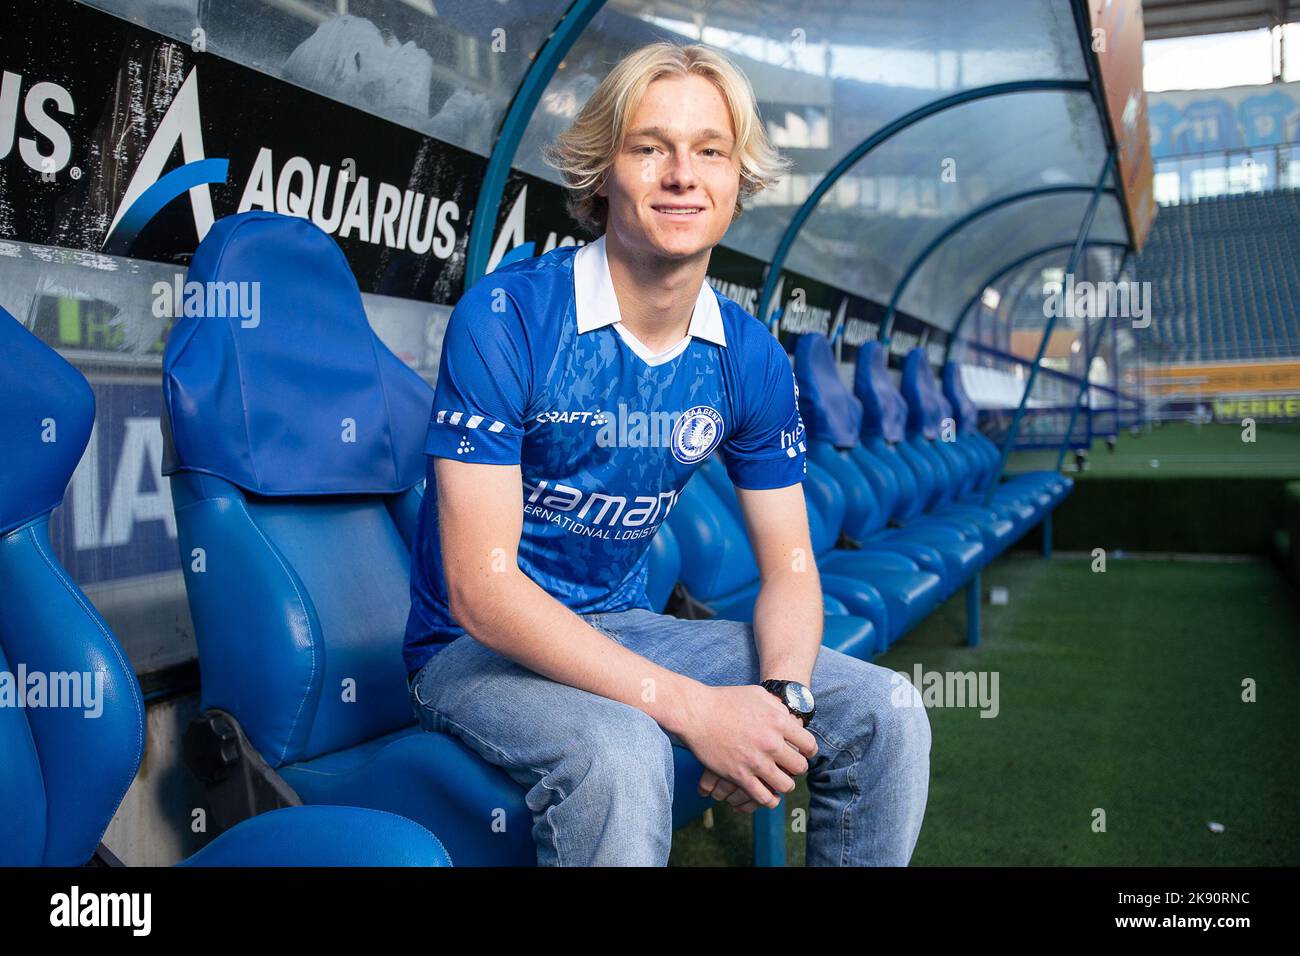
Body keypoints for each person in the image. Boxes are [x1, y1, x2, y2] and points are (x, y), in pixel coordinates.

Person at [404, 40, 930, 866]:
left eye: (709, 151)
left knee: (885, 711)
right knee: (625, 750)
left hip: (625, 627)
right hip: (473, 654)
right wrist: (695, 710)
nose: (682, 174)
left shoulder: (749, 356)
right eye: (650, 147)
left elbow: (791, 568)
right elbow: (482, 589)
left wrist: (781, 696)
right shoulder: (506, 317)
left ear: (736, 180)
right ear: (603, 172)